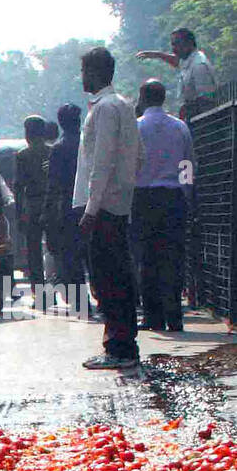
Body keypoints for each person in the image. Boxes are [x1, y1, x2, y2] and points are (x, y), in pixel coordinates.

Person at [74, 47, 144, 371]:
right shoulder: (124, 105)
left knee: (107, 279)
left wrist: (91, 208)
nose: (82, 77)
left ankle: (118, 347)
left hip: (102, 206)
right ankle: (123, 344)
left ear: (97, 72)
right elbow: (136, 157)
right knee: (119, 275)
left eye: (85, 70)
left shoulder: (103, 109)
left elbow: (100, 163)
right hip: (117, 203)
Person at [132, 79, 193, 332]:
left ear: (142, 98)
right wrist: (186, 195)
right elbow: (187, 165)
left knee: (147, 258)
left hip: (144, 197)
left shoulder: (136, 127)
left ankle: (153, 316)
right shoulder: (179, 127)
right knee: (173, 257)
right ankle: (174, 315)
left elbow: (130, 164)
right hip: (173, 197)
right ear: (163, 97)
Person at [45, 103, 86, 302]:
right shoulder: (89, 144)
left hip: (68, 208)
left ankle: (80, 301)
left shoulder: (59, 149)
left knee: (72, 256)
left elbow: (53, 185)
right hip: (92, 202)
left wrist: (48, 213)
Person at [135, 28, 218, 122]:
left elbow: (207, 99)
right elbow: (176, 61)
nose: (173, 49)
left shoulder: (199, 66)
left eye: (176, 44)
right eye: (172, 44)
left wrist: (186, 108)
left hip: (204, 122)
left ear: (189, 43)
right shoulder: (189, 59)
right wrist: (157, 55)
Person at [14, 114, 51, 299]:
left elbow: (18, 187)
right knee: (56, 248)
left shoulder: (23, 155)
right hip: (52, 204)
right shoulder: (52, 151)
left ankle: (39, 291)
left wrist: (19, 213)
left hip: (32, 206)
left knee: (34, 251)